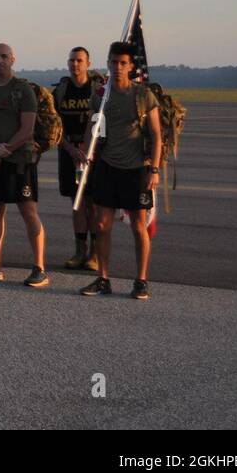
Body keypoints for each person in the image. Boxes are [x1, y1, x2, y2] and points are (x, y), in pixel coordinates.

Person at [80, 42, 162, 300]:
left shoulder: (143, 95)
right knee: (102, 225)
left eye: (123, 63)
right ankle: (103, 279)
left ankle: (141, 281)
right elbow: (92, 127)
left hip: (136, 169)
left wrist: (154, 169)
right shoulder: (100, 95)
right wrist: (85, 153)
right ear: (108, 63)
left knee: (139, 227)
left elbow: (157, 135)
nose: (117, 67)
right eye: (113, 62)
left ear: (131, 66)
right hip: (107, 168)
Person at [0, 43, 49, 287]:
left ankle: (39, 268)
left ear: (13, 59)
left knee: (28, 211)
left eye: (4, 57)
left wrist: (4, 150)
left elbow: (27, 128)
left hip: (20, 161)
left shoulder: (23, 90)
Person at [55, 47, 103, 270]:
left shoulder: (98, 90)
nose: (75, 64)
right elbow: (54, 125)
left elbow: (103, 121)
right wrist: (69, 148)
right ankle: (79, 251)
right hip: (69, 154)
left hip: (93, 154)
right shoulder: (61, 91)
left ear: (88, 63)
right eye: (72, 60)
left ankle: (94, 254)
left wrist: (87, 148)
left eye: (80, 60)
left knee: (93, 204)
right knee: (76, 204)